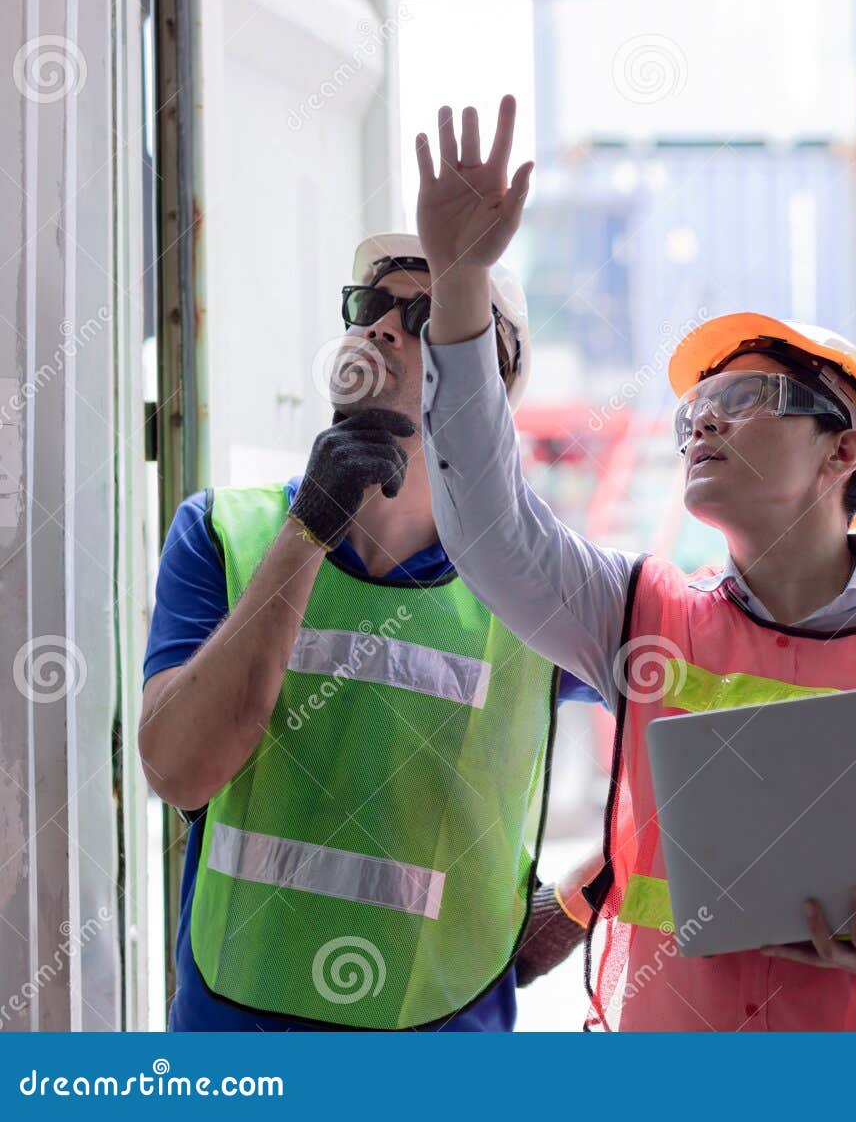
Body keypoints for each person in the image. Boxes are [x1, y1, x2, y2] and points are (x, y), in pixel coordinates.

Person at [413, 95, 856, 1031]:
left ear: (844, 452)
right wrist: (460, 284)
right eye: (694, 412)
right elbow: (487, 527)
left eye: (745, 397)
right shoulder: (637, 613)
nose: (702, 424)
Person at [139, 233, 602, 1031]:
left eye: (425, 318)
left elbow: (711, 731)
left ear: (486, 385)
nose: (383, 327)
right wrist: (307, 529)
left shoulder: (538, 583)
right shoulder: (223, 533)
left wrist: (578, 900)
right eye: (372, 305)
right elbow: (179, 771)